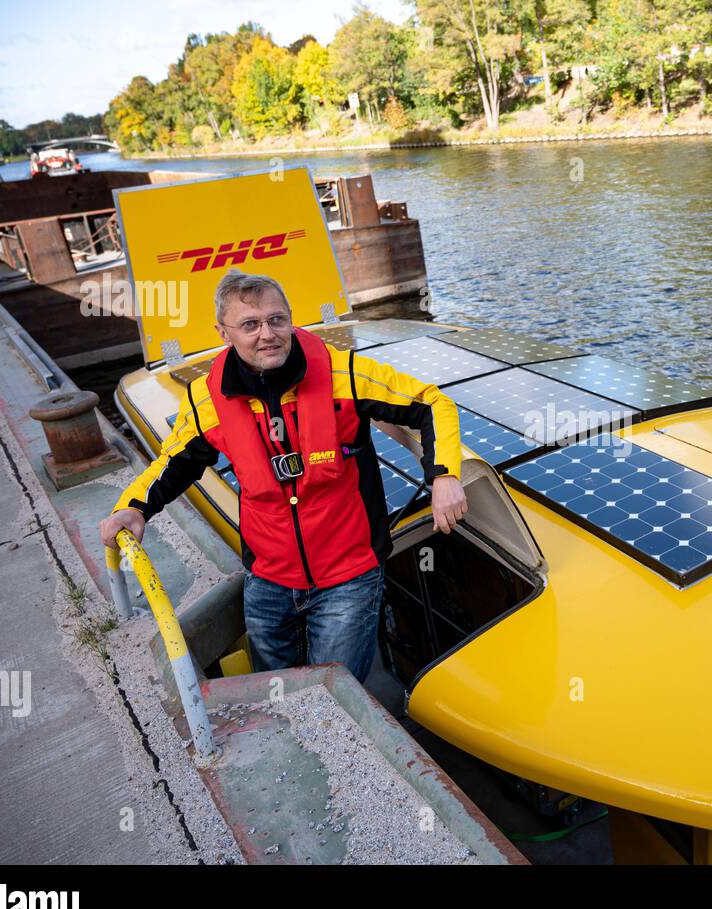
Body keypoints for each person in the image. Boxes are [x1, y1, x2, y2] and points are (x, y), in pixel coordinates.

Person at [99, 269, 467, 684]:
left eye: (276, 320)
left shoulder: (343, 374)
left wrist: (443, 476)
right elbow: (175, 461)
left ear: (291, 318)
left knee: (335, 695)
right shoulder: (207, 400)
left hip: (348, 576)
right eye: (250, 325)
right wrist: (134, 507)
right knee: (277, 696)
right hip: (269, 582)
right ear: (224, 333)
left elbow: (430, 404)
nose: (267, 334)